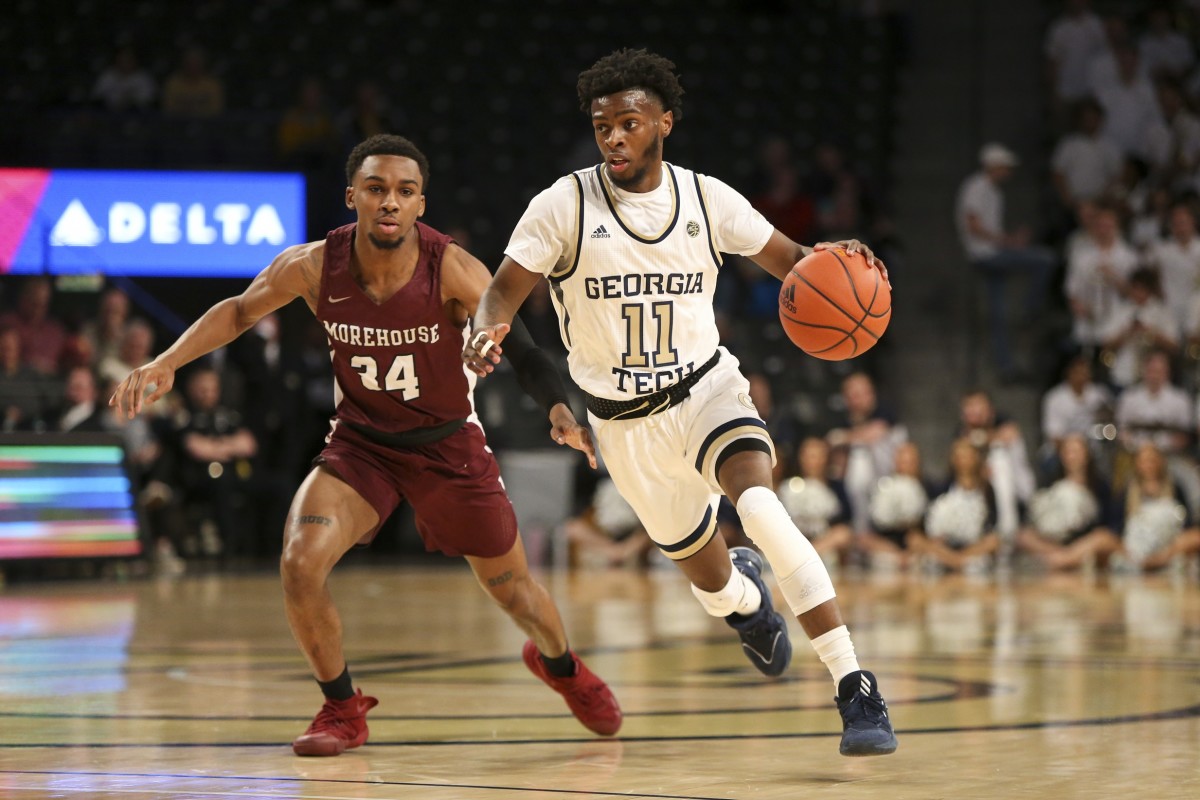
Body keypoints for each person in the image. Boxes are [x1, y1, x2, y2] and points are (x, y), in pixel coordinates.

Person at [110, 134, 621, 756]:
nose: (389, 202)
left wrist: (561, 410)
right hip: (362, 444)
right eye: (376, 189)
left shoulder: (453, 268)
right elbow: (240, 311)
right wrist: (169, 361)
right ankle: (342, 708)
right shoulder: (311, 265)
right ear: (352, 195)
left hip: (447, 445)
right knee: (300, 562)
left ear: (420, 206)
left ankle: (563, 667)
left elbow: (522, 348)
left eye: (404, 192)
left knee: (514, 591)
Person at [464, 48, 896, 757]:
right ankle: (747, 605)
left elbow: (796, 265)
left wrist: (833, 261)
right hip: (624, 429)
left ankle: (854, 685)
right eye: (602, 125)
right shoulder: (563, 205)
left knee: (760, 508)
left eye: (629, 122)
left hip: (706, 392)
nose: (613, 138)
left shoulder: (707, 200)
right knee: (714, 581)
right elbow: (502, 292)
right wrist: (486, 331)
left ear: (664, 121)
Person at [954, 142, 1054, 381]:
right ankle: (1031, 310)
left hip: (991, 253)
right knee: (1045, 259)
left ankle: (1005, 367)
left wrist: (1008, 241)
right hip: (986, 255)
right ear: (994, 166)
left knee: (997, 316)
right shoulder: (977, 186)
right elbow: (974, 225)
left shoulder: (993, 191)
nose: (1009, 171)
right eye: (1006, 167)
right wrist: (1009, 241)